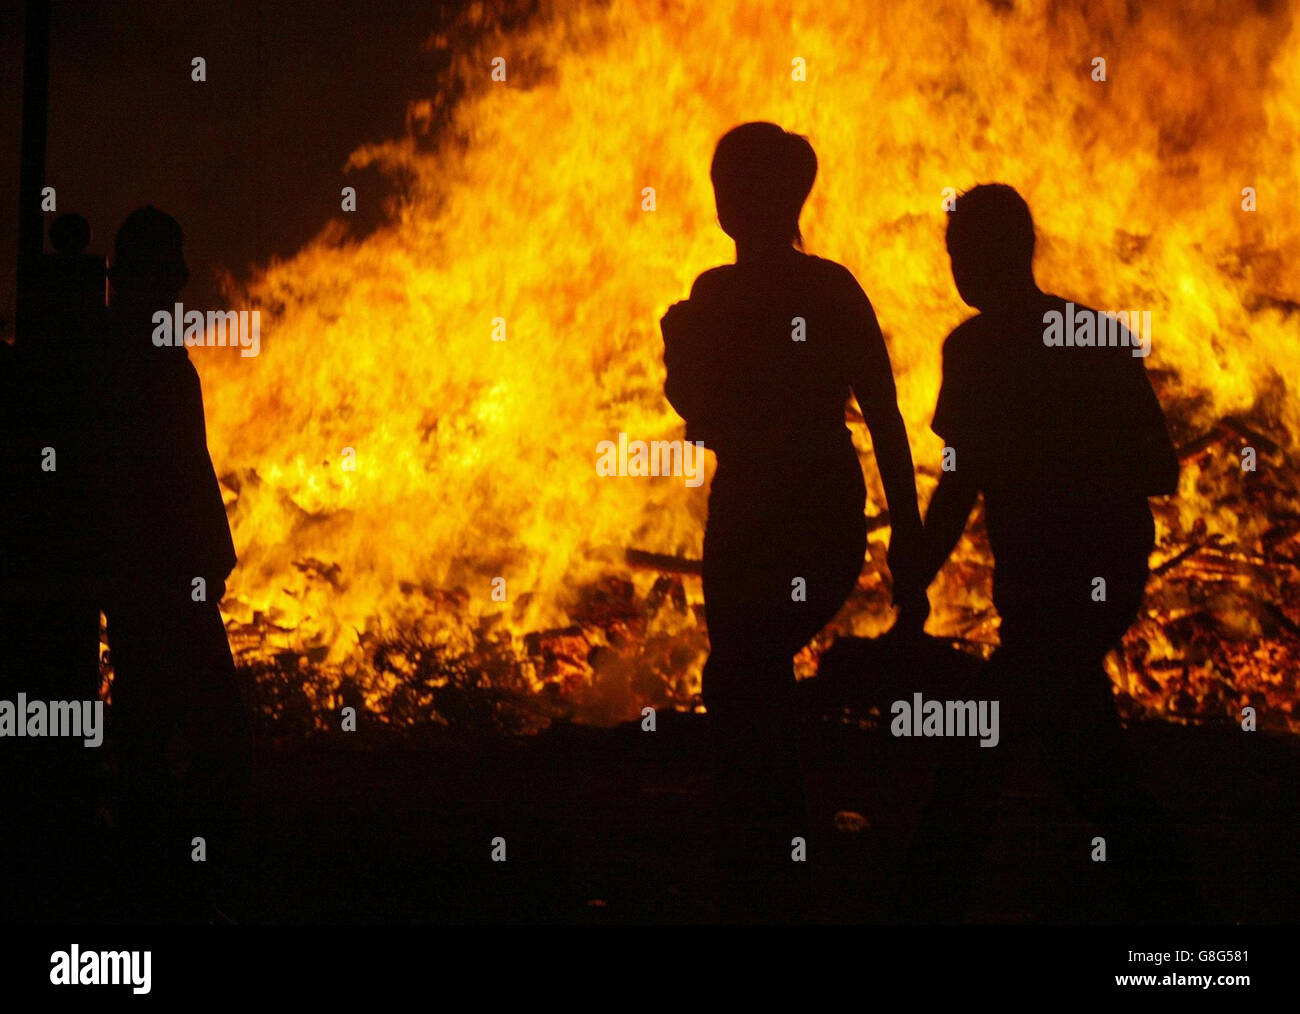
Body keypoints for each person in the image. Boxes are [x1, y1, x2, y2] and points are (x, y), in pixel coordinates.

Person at [900, 183, 1198, 922]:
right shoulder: (1043, 341)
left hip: (1075, 578)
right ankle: (1177, 911)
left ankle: (929, 901)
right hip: (1067, 578)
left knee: (993, 742)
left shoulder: (1004, 348)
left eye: (966, 252)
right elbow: (963, 478)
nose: (957, 267)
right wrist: (921, 567)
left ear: (1010, 252)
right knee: (1072, 744)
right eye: (953, 252)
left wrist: (926, 562)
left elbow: (1155, 468)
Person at [661, 123, 925, 921]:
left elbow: (882, 410)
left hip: (804, 505)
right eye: (727, 182)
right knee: (743, 669)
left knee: (746, 667)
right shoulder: (715, 296)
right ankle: (773, 848)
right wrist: (679, 363)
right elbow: (707, 420)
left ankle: (770, 852)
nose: (732, 197)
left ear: (782, 198)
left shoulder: (824, 290)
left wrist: (909, 536)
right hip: (750, 506)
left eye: (745, 183)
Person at [97, 206, 252, 921]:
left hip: (153, 576)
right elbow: (177, 470)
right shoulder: (138, 360)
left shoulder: (139, 353)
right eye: (168, 277)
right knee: (211, 726)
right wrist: (205, 555)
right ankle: (184, 878)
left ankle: (148, 867)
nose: (177, 291)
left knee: (148, 720)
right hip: (159, 577)